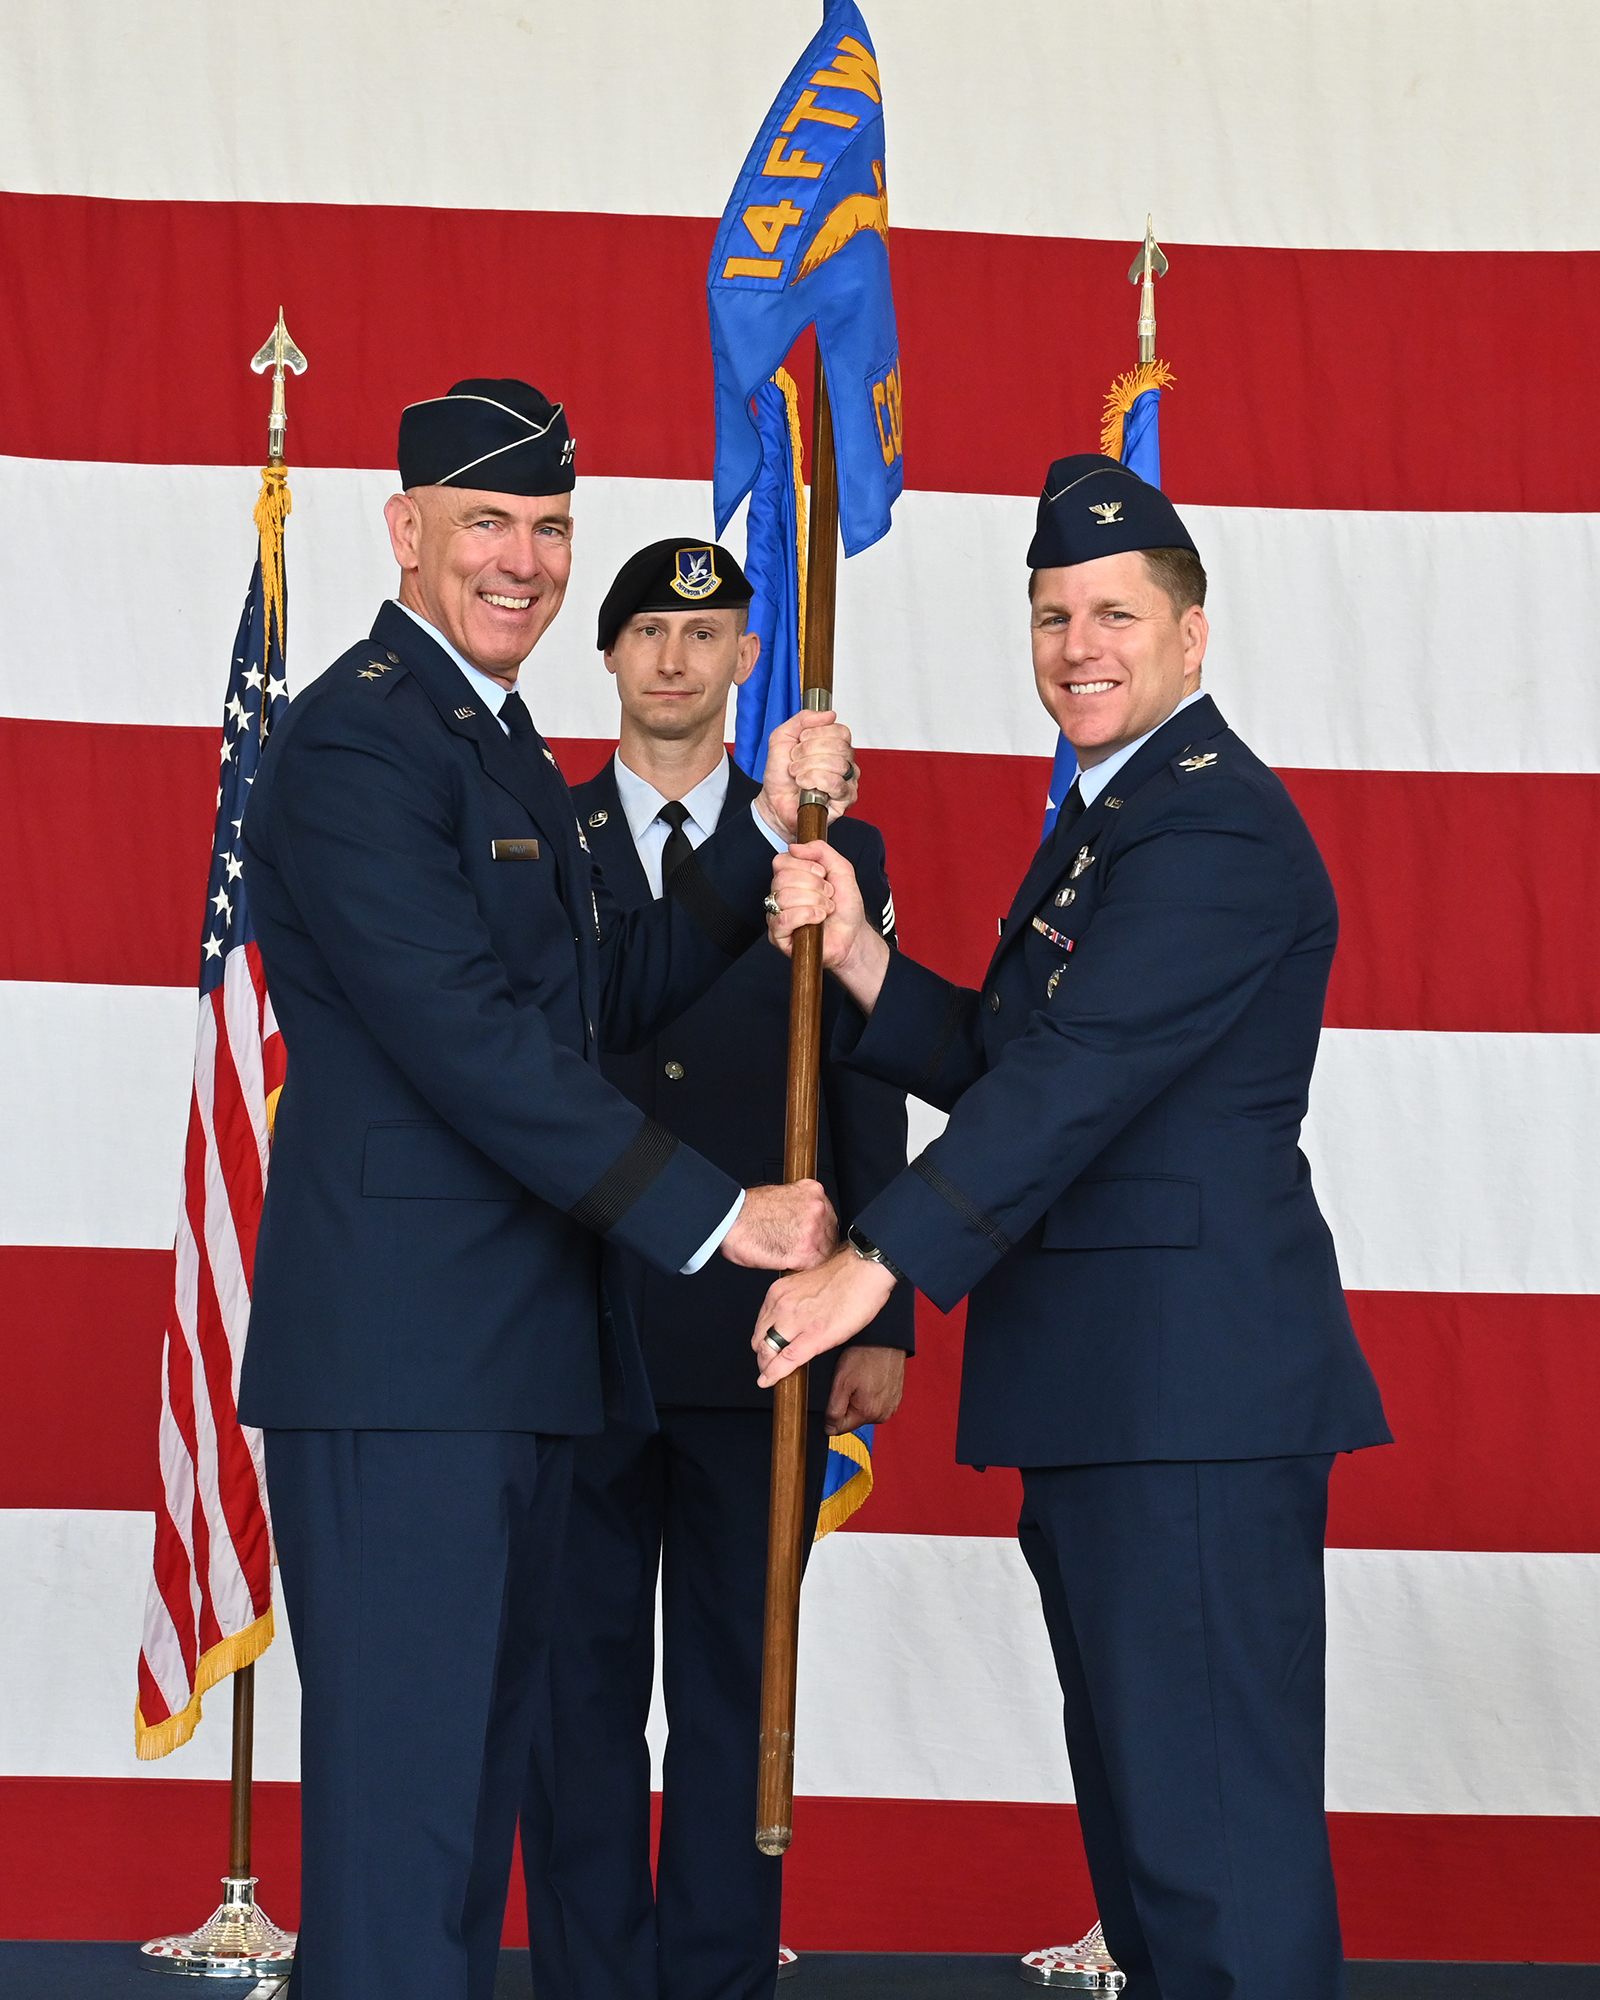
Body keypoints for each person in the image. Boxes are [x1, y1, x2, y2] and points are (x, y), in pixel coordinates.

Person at [237, 381, 859, 2000]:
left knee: (456, 1839)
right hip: (405, 1372)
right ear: (406, 532)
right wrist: (725, 1218)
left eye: (550, 529)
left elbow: (608, 981)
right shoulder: (361, 736)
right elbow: (471, 1044)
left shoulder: (485, 735)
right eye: (488, 525)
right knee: (404, 1846)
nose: (524, 562)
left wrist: (761, 845)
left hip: (503, 1371)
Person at [752, 454, 1391, 2000]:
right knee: (1156, 1847)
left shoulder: (1213, 830)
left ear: (1192, 635)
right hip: (1123, 1397)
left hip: (1189, 1403)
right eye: (1052, 617)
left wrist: (872, 1266)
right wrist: (855, 957)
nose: (1079, 646)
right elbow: (1014, 1061)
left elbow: (1080, 1084)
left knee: (1215, 1856)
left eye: (1114, 613)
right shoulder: (1116, 823)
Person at [520, 537, 914, 2000]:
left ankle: (719, 1983)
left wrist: (889, 1299)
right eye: (647, 637)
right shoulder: (539, 838)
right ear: (608, 658)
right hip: (577, 1328)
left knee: (743, 1690)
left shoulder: (834, 850)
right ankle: (591, 1984)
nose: (676, 662)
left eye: (708, 637)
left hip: (772, 1332)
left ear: (752, 659)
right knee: (578, 1701)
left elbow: (865, 1071)